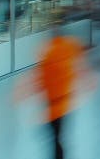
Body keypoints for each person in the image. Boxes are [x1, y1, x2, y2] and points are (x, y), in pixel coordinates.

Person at [30, 21, 86, 159]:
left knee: (55, 136)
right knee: (57, 135)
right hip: (63, 101)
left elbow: (42, 78)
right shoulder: (67, 48)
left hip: (54, 102)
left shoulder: (49, 53)